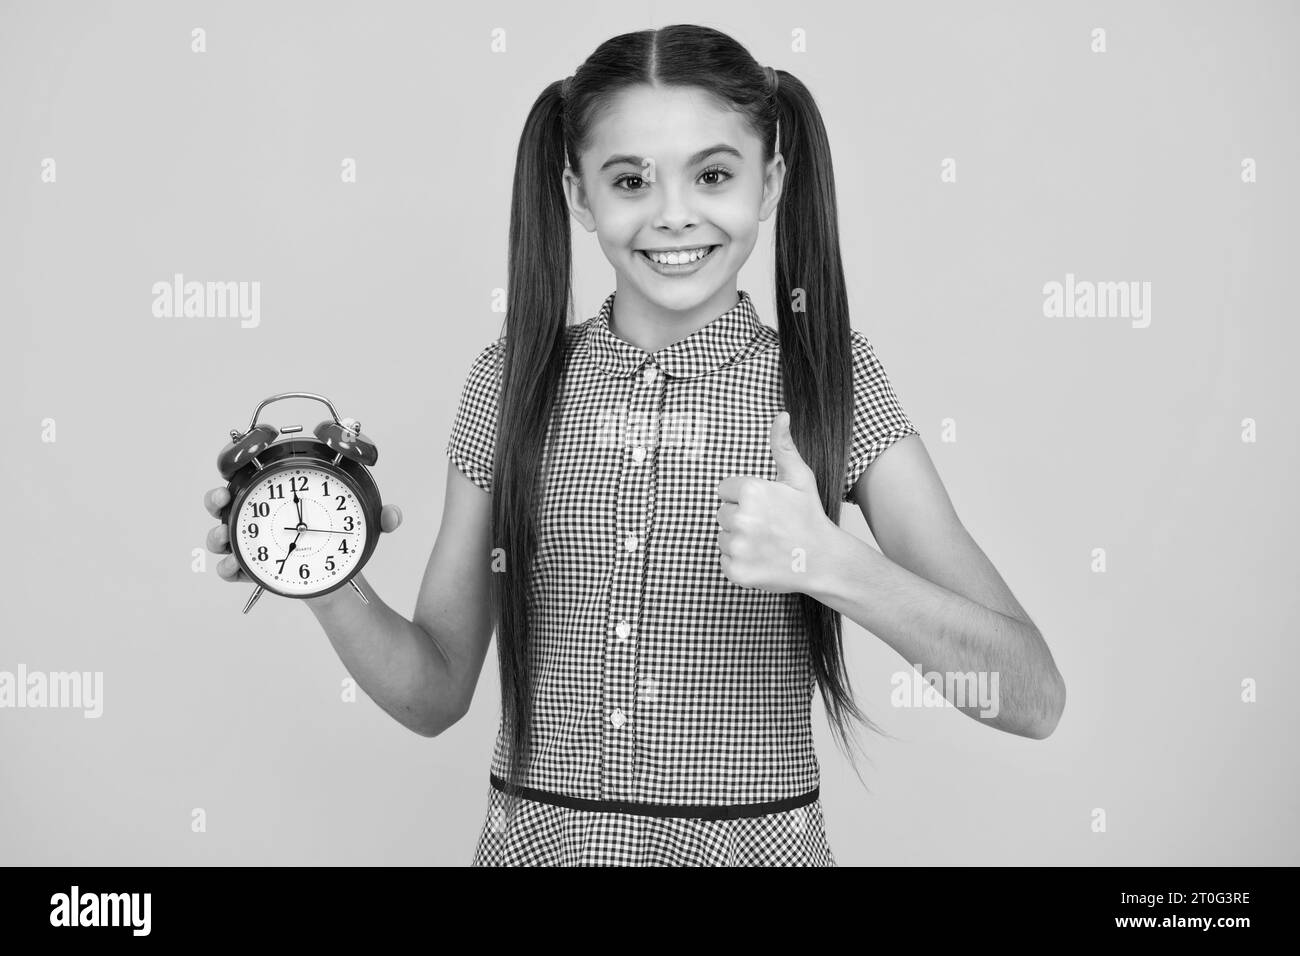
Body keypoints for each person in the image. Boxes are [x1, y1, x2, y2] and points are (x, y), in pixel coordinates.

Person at [202, 23, 1066, 867]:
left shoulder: (830, 384)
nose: (673, 216)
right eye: (629, 181)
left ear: (769, 186)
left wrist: (833, 564)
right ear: (580, 196)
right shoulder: (511, 381)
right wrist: (315, 567)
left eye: (714, 174)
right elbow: (434, 693)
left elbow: (1030, 696)